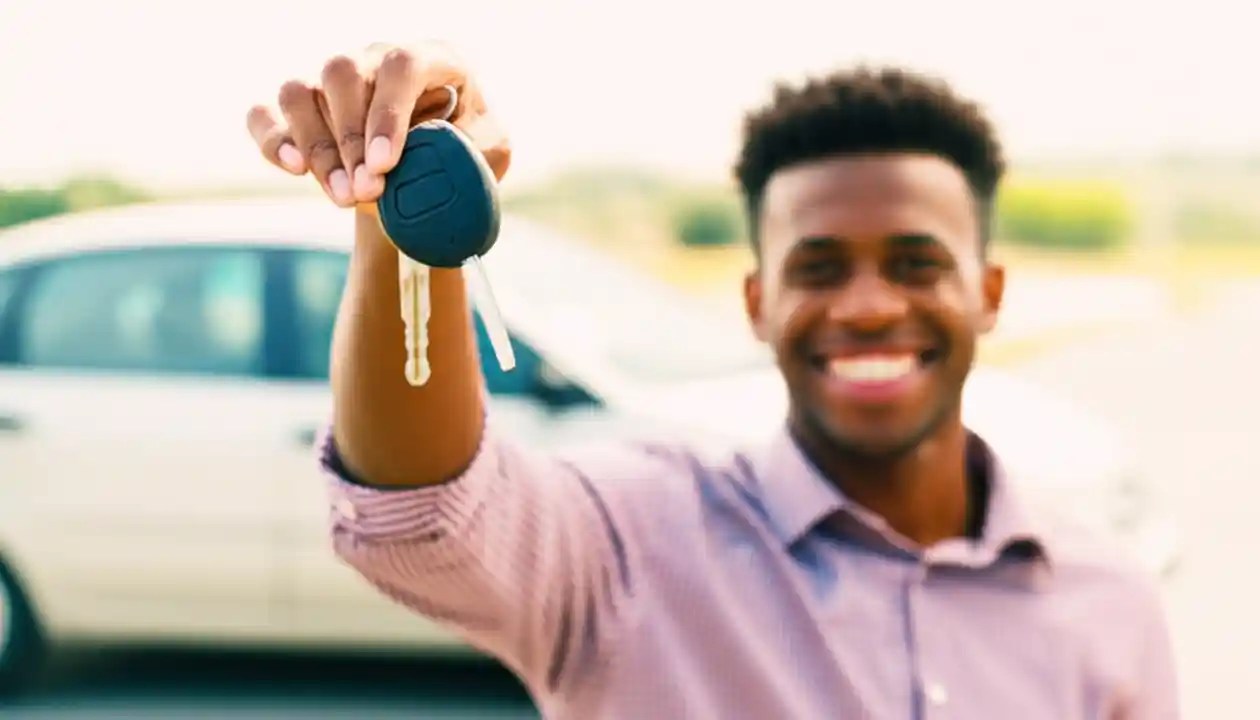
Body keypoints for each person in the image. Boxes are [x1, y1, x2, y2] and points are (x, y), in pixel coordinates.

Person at [246, 41, 1180, 719]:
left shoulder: (1109, 598)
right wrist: (397, 196)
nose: (863, 305)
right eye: (815, 267)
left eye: (914, 263)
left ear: (988, 291)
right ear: (756, 300)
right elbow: (422, 510)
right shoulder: (630, 545)